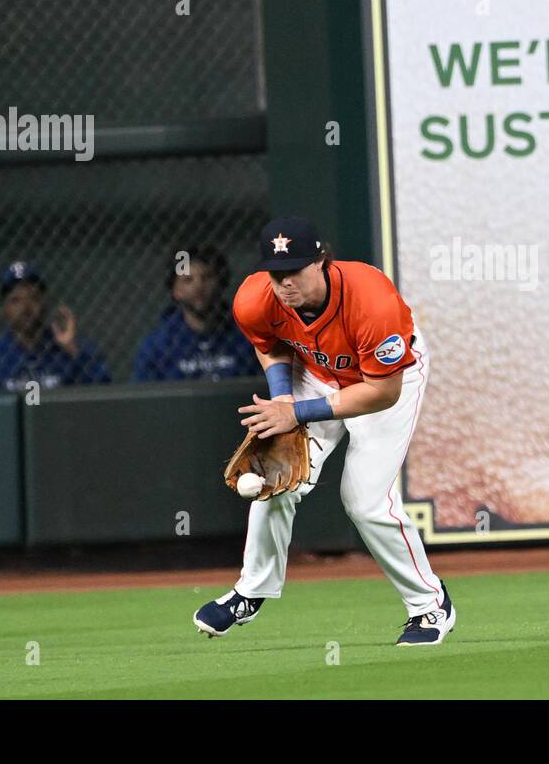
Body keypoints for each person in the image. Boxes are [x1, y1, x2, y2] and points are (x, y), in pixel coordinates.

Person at [193, 217, 454, 646]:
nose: (284, 284)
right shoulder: (254, 299)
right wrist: (282, 401)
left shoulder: (372, 301)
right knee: (277, 475)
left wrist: (299, 412)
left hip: (387, 380)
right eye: (276, 274)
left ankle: (429, 605)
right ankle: (251, 591)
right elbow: (271, 344)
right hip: (314, 372)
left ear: (321, 261)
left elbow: (382, 392)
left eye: (294, 271)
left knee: (365, 501)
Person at [0, 261, 111, 392]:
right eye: (16, 300)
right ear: (4, 308)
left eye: (33, 297)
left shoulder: (71, 349)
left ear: (45, 303)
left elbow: (104, 391)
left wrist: (73, 351)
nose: (26, 308)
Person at [132, 245, 259, 382]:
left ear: (221, 283)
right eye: (188, 280)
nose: (198, 286)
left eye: (207, 277)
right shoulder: (158, 346)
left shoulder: (247, 337)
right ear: (175, 290)